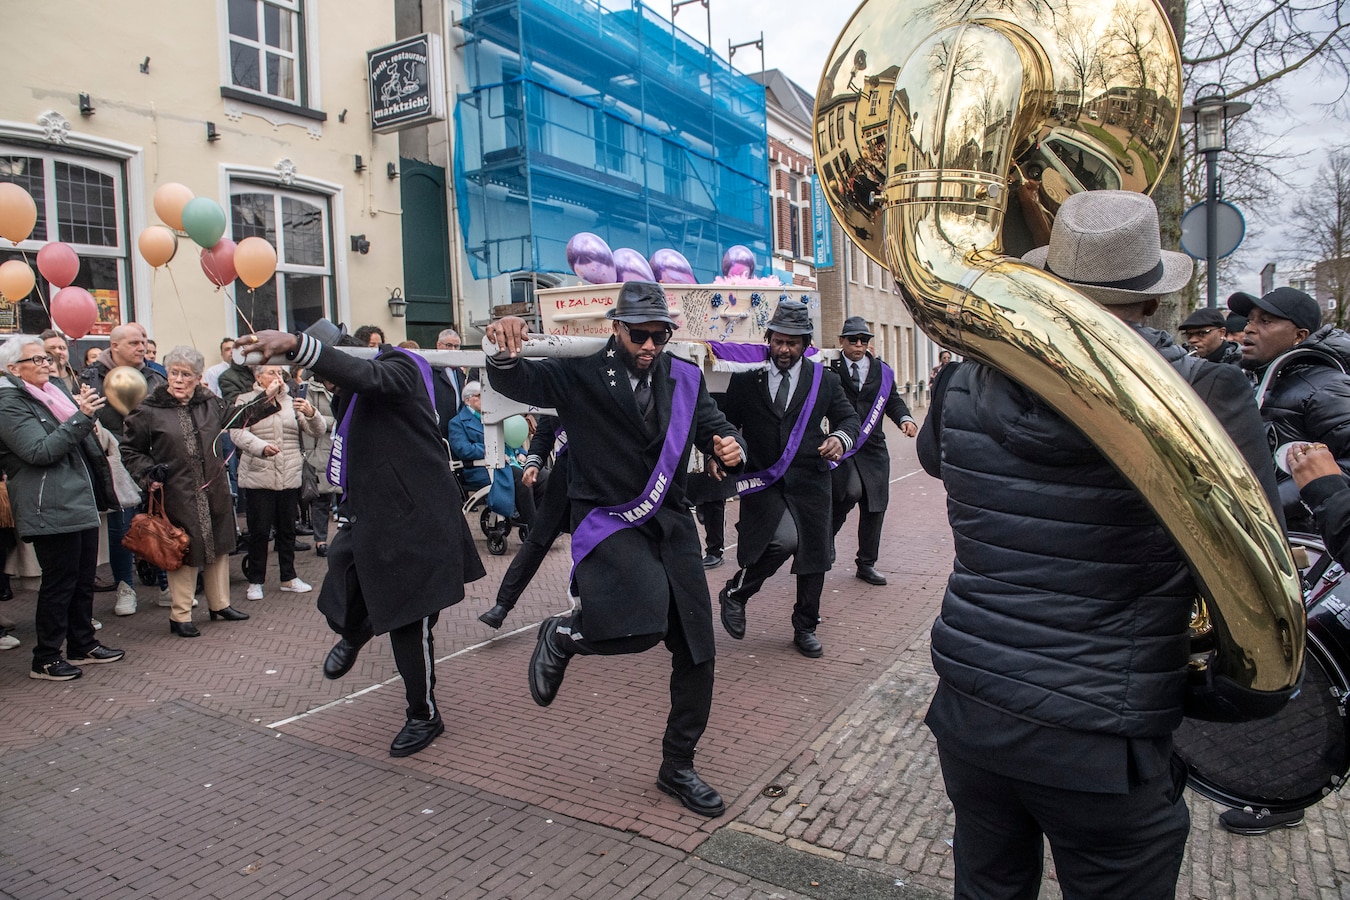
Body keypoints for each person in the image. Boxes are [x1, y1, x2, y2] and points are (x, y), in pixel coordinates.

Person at [917, 189, 1275, 897]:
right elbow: (1255, 571)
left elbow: (935, 459)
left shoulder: (962, 380)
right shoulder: (1205, 392)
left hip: (972, 709)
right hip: (1104, 735)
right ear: (1151, 300)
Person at [484, 281, 746, 817]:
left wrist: (730, 448)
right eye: (640, 335)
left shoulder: (685, 376)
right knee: (641, 624)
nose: (650, 346)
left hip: (670, 526)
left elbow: (712, 428)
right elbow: (519, 378)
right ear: (617, 328)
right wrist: (501, 350)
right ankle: (563, 635)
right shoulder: (581, 369)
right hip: (610, 521)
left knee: (699, 652)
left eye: (660, 335)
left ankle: (678, 767)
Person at [240, 326, 487, 759]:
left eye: (328, 370)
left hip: (419, 521)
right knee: (341, 562)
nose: (327, 383)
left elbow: (368, 378)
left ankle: (423, 714)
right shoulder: (348, 391)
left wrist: (301, 347)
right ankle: (356, 631)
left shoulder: (401, 367)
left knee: (411, 623)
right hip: (373, 515)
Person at [716, 300, 860, 659]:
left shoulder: (824, 381)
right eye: (778, 341)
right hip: (763, 480)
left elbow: (849, 420)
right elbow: (725, 421)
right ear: (769, 339)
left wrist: (838, 439)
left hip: (811, 483)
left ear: (805, 343)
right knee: (781, 542)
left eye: (792, 343)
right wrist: (721, 450)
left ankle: (805, 627)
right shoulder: (747, 378)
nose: (784, 349)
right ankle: (738, 592)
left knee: (816, 554)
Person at [122, 347, 276, 636]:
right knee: (183, 547)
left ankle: (220, 604)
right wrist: (146, 473)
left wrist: (268, 397)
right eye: (173, 373)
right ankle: (180, 615)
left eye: (186, 375)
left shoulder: (210, 403)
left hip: (213, 486)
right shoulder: (149, 409)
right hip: (176, 489)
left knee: (218, 543)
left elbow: (239, 417)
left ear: (198, 377)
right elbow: (130, 449)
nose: (178, 380)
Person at [0, 338, 124, 680]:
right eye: (36, 358)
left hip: (78, 498)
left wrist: (83, 416)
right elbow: (39, 451)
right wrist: (80, 417)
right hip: (48, 503)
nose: (47, 362)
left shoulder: (52, 392)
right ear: (13, 369)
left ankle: (82, 644)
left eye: (47, 356)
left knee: (83, 579)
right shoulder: (8, 403)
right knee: (59, 583)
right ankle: (46, 657)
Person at [1230, 286, 1350, 532]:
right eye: (1250, 320)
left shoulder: (1328, 386)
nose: (1249, 328)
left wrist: (1267, 506)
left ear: (1300, 336)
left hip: (1306, 543)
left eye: (1265, 321)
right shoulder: (1265, 380)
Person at [80, 324, 170, 606]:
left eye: (143, 341)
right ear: (114, 345)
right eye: (134, 342)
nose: (141, 346)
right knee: (123, 524)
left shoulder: (156, 375)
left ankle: (167, 586)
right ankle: (125, 587)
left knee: (159, 520)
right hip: (114, 458)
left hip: (153, 457)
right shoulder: (91, 376)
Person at [828, 316, 917, 586]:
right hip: (844, 446)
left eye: (863, 340)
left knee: (875, 507)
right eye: (853, 339)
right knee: (848, 493)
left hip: (873, 446)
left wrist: (905, 419)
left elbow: (892, 400)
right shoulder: (830, 369)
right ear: (841, 341)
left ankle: (866, 564)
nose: (858, 345)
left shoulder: (881, 370)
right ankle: (824, 541)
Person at [229, 365, 326, 600]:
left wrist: (312, 413)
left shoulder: (292, 402)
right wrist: (261, 447)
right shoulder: (247, 400)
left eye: (280, 373)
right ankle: (256, 581)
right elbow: (237, 432)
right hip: (259, 474)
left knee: (287, 530)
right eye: (271, 373)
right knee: (259, 531)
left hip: (289, 473)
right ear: (258, 377)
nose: (277, 378)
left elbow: (318, 430)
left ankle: (288, 577)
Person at [478, 414, 570, 629]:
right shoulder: (558, 387)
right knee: (537, 540)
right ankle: (502, 605)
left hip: (599, 478)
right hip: (565, 475)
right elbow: (545, 431)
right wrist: (533, 461)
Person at [447, 381, 536, 529]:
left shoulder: (493, 417)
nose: (485, 399)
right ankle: (533, 525)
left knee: (541, 475)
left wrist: (522, 453)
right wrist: (491, 449)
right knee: (521, 478)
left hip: (506, 462)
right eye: (480, 396)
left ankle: (542, 519)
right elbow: (463, 449)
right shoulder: (457, 423)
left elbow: (510, 439)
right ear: (467, 400)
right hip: (479, 469)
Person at [299, 369, 341, 557]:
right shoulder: (311, 390)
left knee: (344, 497)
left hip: (341, 445)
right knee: (321, 498)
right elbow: (308, 419)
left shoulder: (344, 386)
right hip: (320, 448)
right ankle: (320, 541)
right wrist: (337, 422)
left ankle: (344, 540)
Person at [432, 328, 466, 425]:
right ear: (438, 345)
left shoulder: (459, 372)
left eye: (456, 346)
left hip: (457, 426)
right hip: (438, 425)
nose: (453, 350)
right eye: (449, 345)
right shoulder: (431, 370)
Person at [40, 330, 80, 395]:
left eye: (62, 348)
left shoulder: (79, 378)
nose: (58, 352)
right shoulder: (36, 382)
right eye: (52, 348)